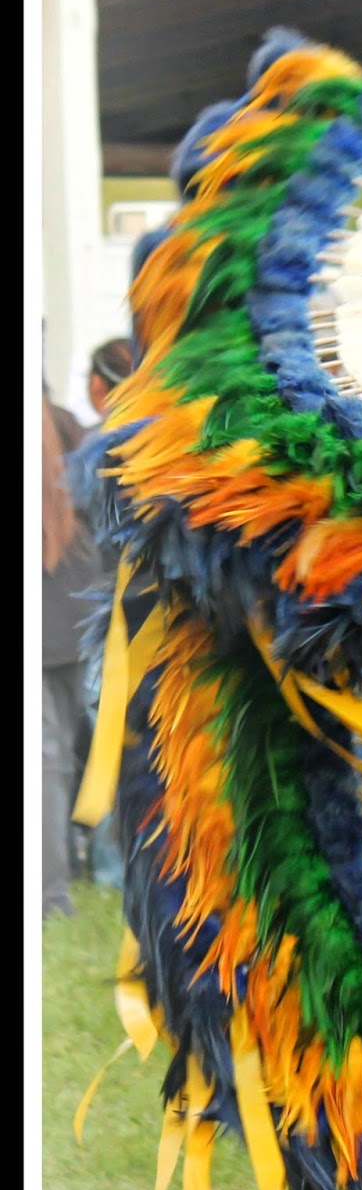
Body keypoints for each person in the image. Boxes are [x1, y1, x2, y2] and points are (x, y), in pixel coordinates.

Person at [78, 338, 137, 890]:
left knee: (109, 752)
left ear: (100, 386)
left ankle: (110, 873)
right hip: (148, 620)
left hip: (108, 622)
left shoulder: (97, 450)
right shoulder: (161, 444)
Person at [41, 387, 102, 918]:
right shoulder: (67, 426)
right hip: (76, 607)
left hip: (57, 611)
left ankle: (50, 895)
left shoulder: (59, 426)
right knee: (66, 756)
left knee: (48, 763)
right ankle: (69, 885)